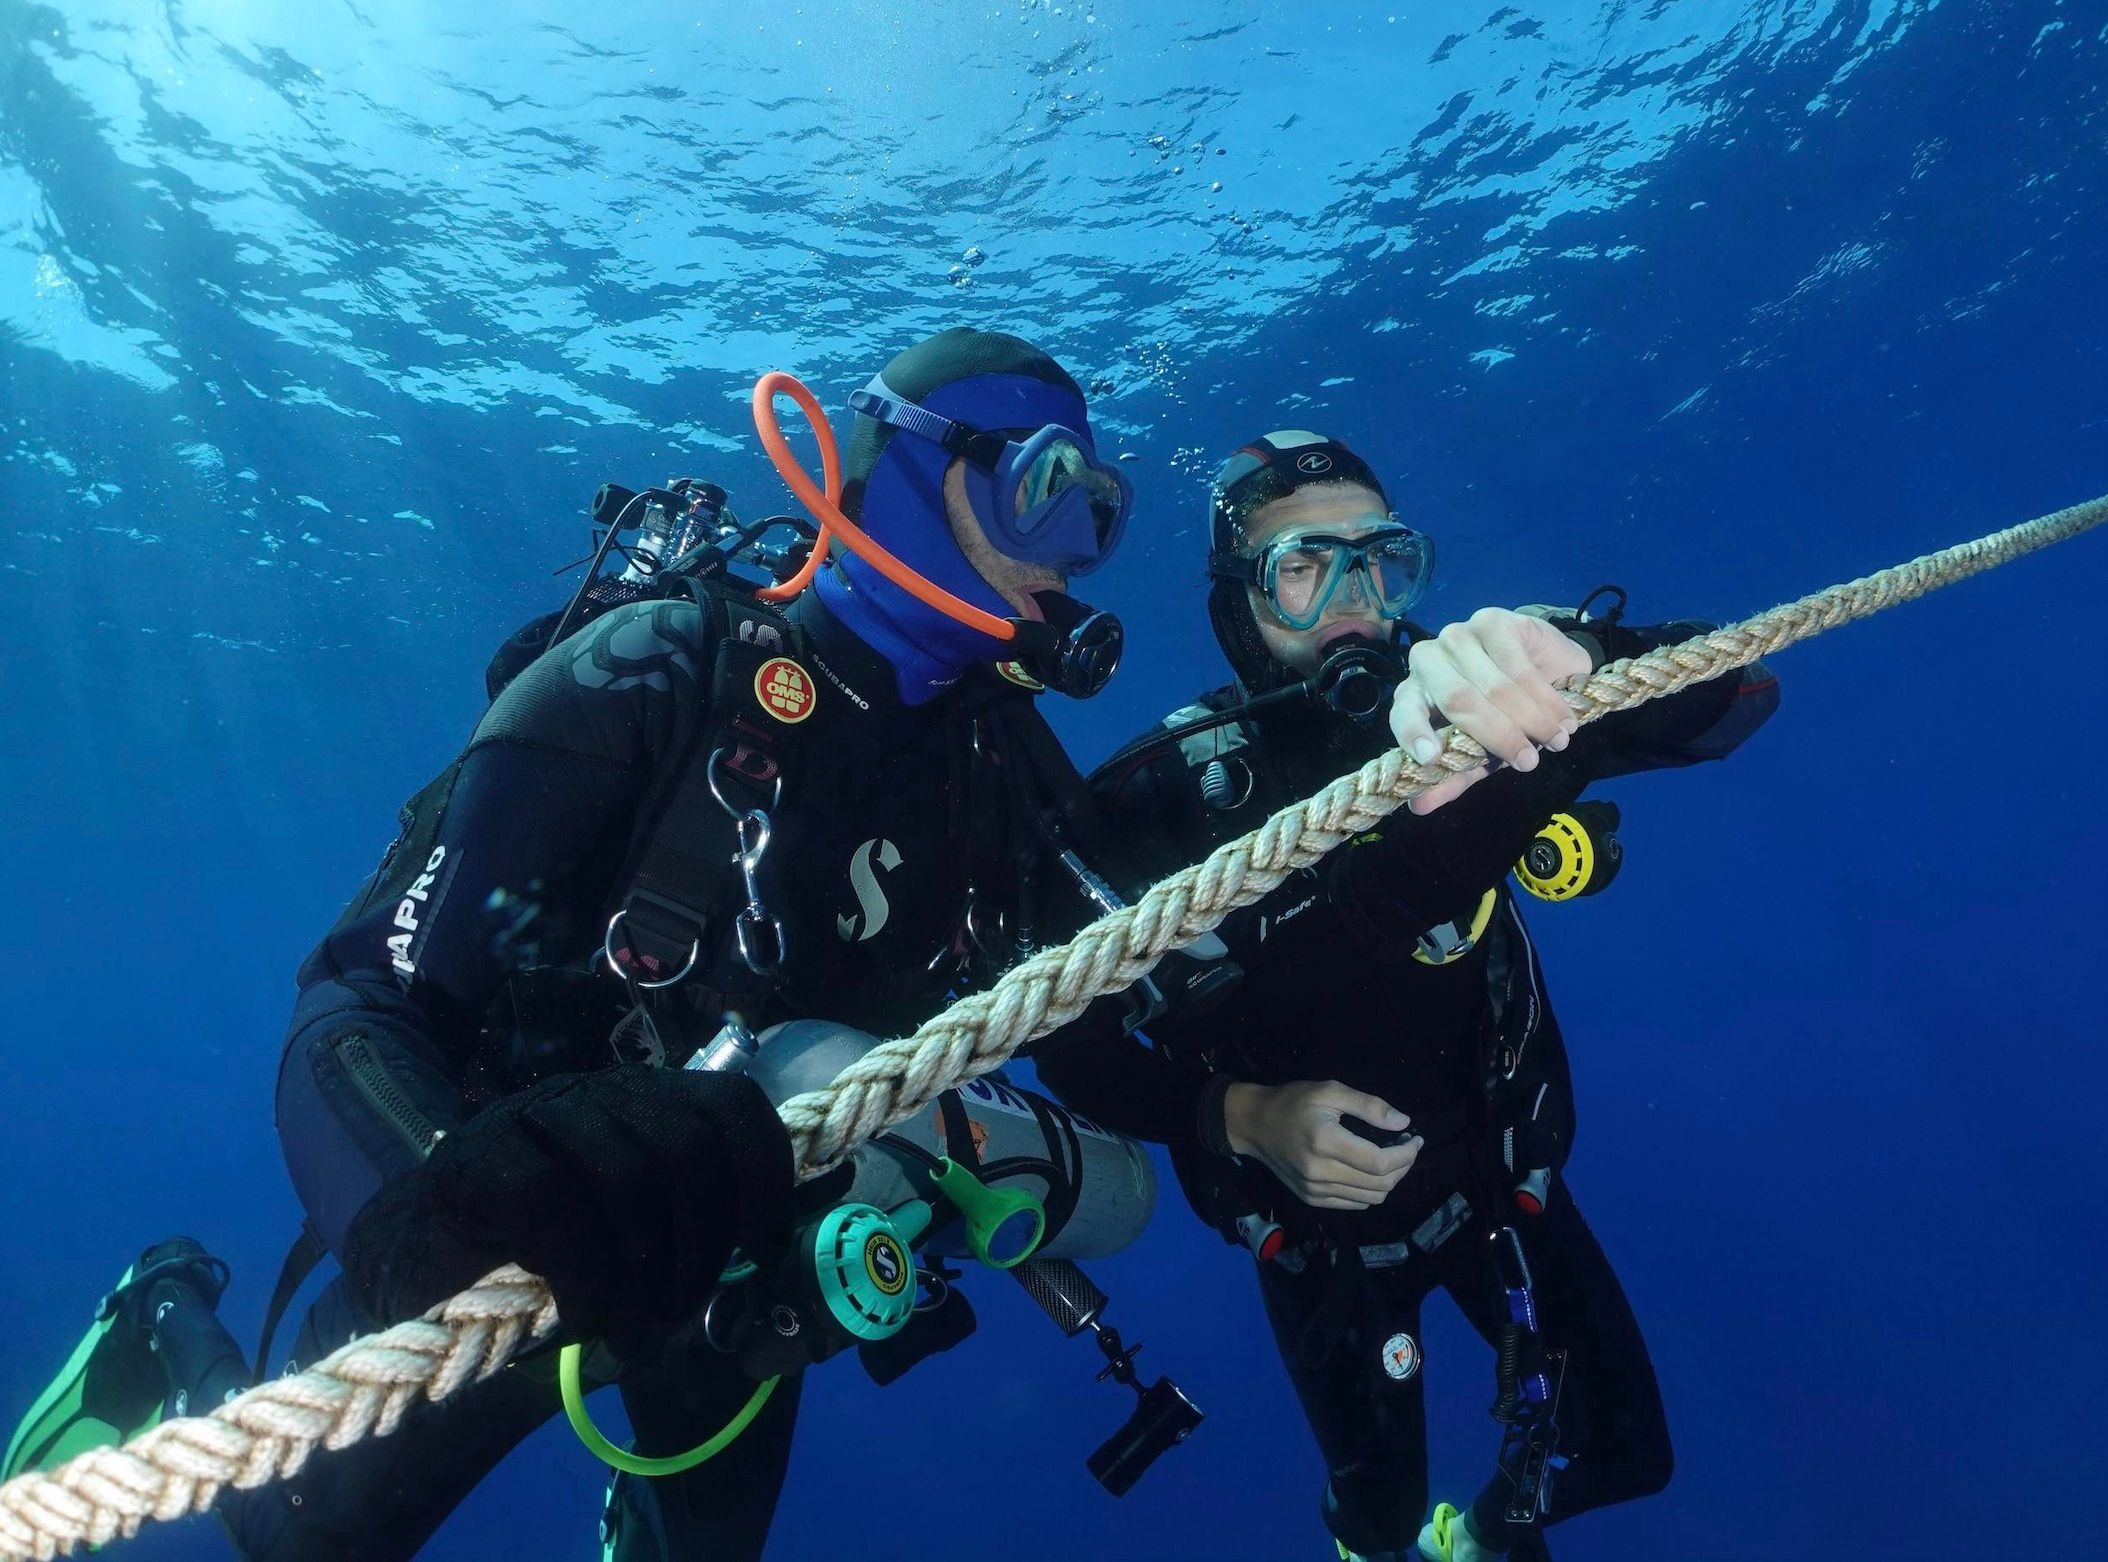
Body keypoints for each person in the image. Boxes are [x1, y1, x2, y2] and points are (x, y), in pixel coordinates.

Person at [6, 327, 1147, 1562]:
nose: (1072, 557)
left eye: (1098, 512)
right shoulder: (658, 669)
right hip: (520, 1204)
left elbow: (1145, 998)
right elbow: (356, 997)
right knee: (302, 1537)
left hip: (747, 1230)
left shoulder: (1009, 782)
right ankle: (163, 1311)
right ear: (924, 477)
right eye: (1043, 492)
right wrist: (434, 1202)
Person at [1033, 430, 1782, 1561]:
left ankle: (1471, 1541)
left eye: (1381, 560)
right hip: (1324, 1248)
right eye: (1302, 567)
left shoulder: (1487, 708)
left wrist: (1569, 647)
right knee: (1377, 1515)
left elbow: (1738, 694)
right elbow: (1069, 1050)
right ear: (1239, 604)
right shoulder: (1159, 797)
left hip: (1502, 1185)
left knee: (1630, 1454)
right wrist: (1243, 1118)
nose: (1355, 602)